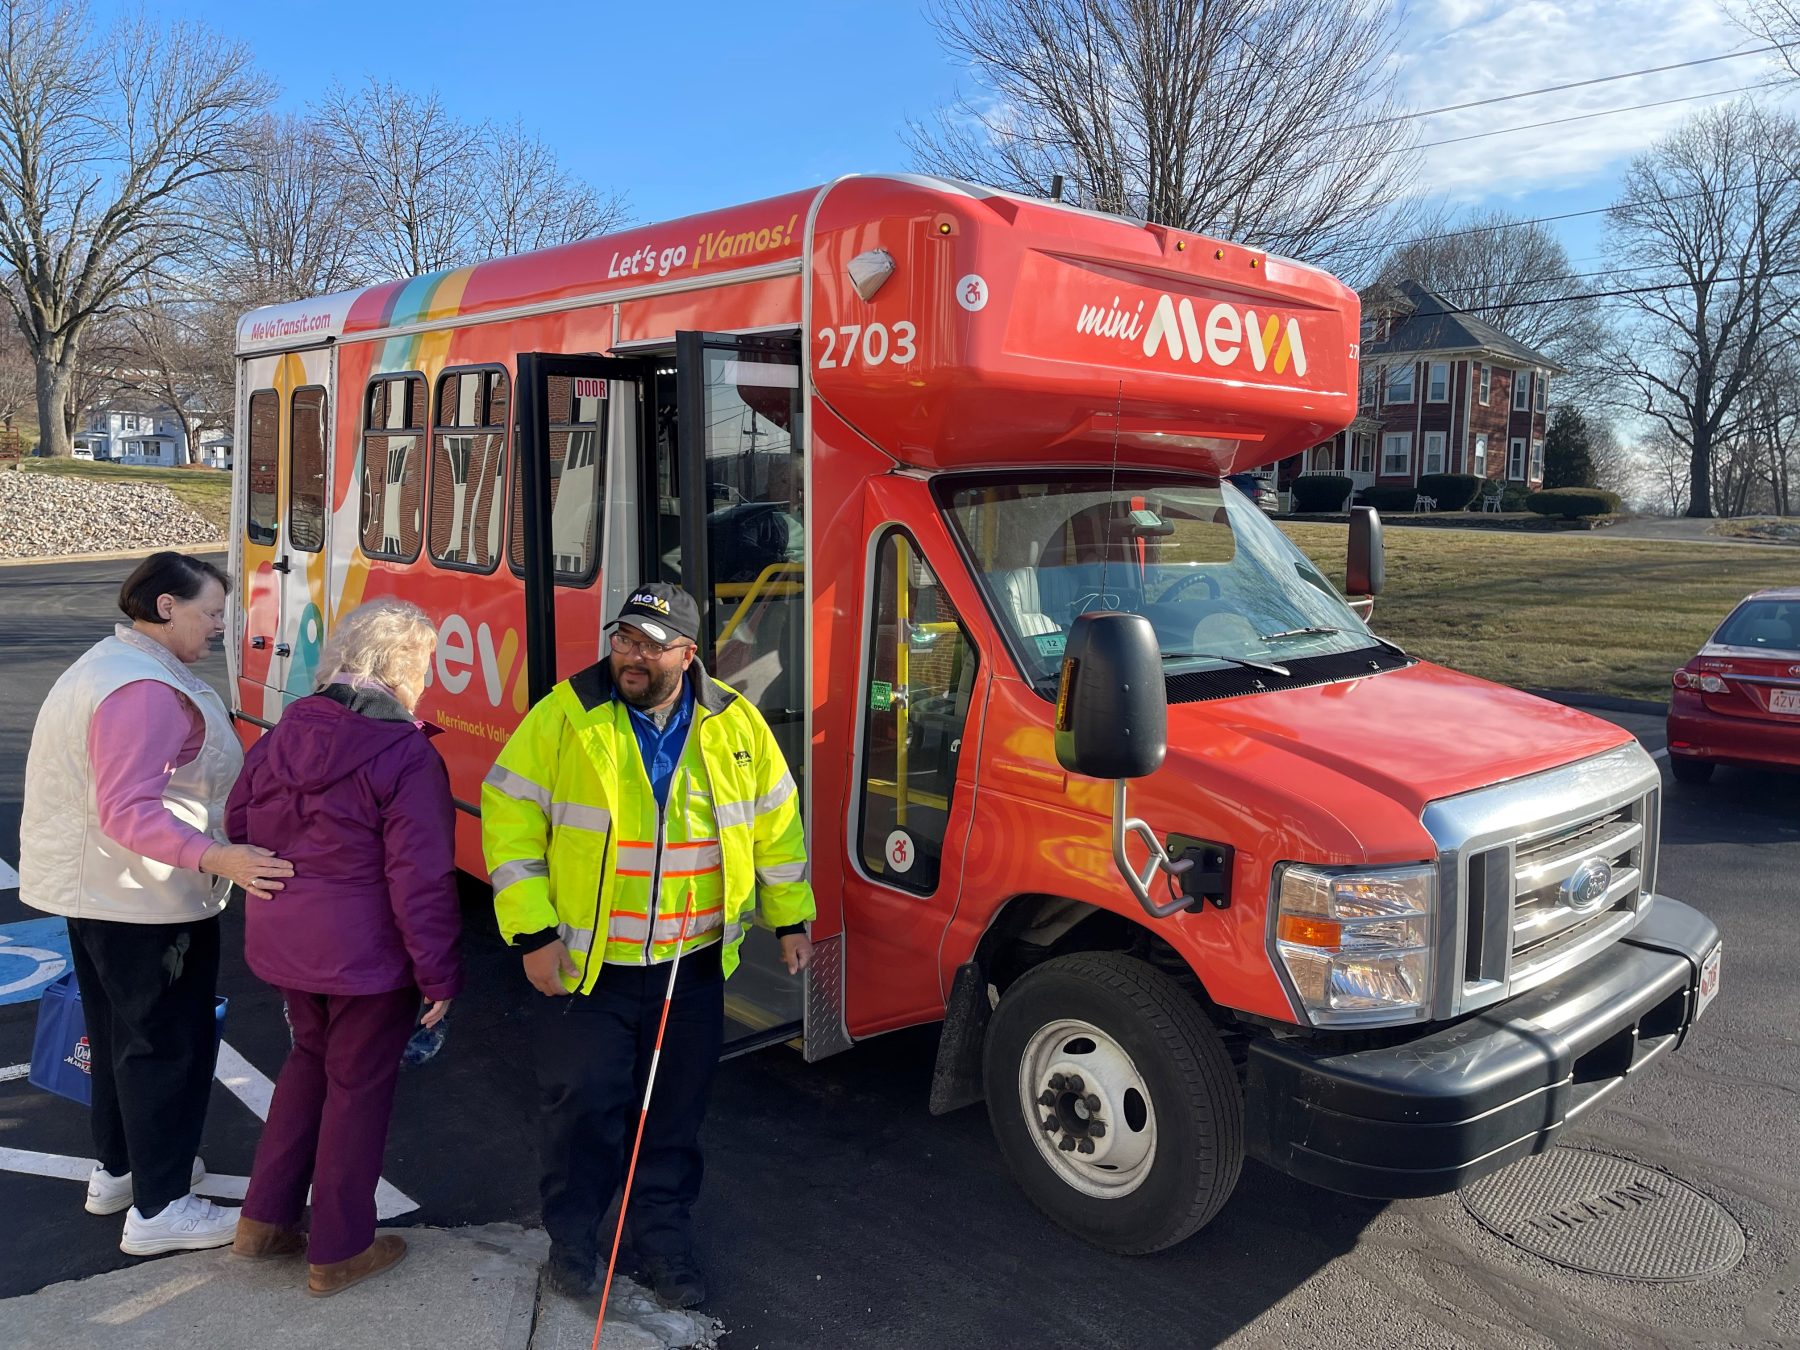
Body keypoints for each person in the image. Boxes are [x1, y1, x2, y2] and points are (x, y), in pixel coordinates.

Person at [483, 582, 814, 1310]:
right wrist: (534, 933)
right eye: (623, 639)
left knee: (673, 1115)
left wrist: (790, 918)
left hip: (688, 970)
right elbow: (508, 819)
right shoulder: (567, 714)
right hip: (588, 967)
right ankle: (573, 1241)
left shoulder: (735, 724)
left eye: (649, 644)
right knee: (583, 1106)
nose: (630, 656)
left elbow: (776, 826)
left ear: (688, 653)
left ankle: (663, 1243)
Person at [19, 552, 293, 1255]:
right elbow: (130, 810)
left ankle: (123, 1172)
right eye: (208, 613)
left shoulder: (111, 666)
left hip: (105, 894)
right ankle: (163, 1206)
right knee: (166, 1047)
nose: (216, 629)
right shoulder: (140, 689)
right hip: (145, 900)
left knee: (122, 1040)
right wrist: (220, 856)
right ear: (165, 607)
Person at [224, 598, 463, 1296]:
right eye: (422, 662)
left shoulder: (281, 733)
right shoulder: (406, 754)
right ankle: (338, 1248)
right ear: (400, 667)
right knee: (358, 1090)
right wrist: (439, 973)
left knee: (307, 1063)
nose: (427, 675)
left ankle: (263, 1221)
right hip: (366, 957)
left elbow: (239, 821)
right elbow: (420, 879)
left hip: (286, 938)